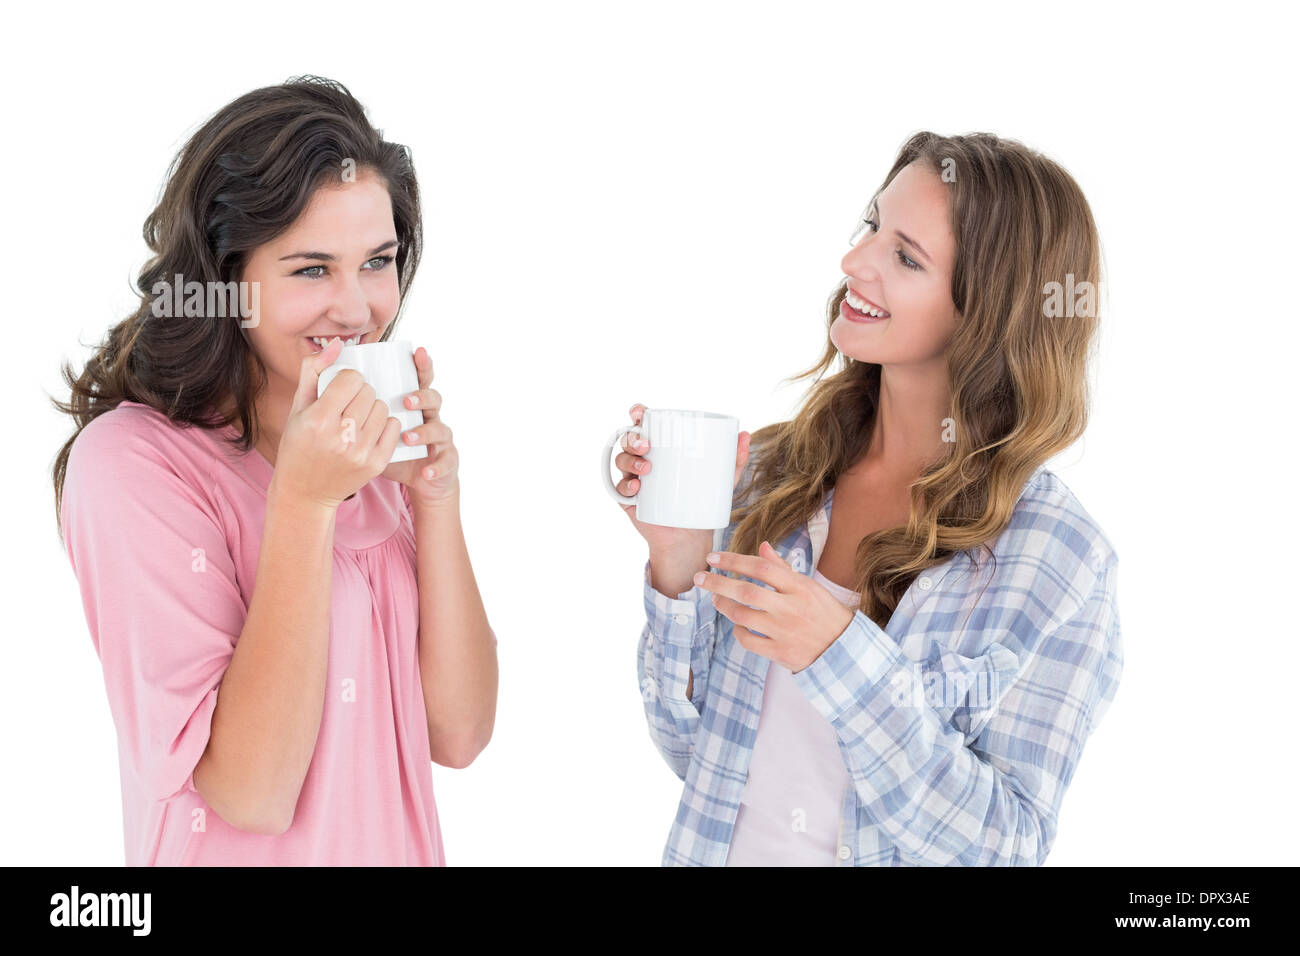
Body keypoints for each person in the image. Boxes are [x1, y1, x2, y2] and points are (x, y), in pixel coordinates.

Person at [615, 131, 1123, 866]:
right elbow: (701, 758)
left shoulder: (1060, 561)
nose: (855, 263)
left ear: (991, 312)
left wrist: (839, 655)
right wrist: (679, 559)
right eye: (872, 228)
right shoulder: (775, 470)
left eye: (906, 257)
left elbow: (1005, 847)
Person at [52, 76, 498, 866]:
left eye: (377, 263)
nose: (358, 310)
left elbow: (458, 736)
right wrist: (302, 500)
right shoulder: (132, 466)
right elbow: (252, 793)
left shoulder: (367, 442)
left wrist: (434, 497)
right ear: (225, 282)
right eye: (310, 269)